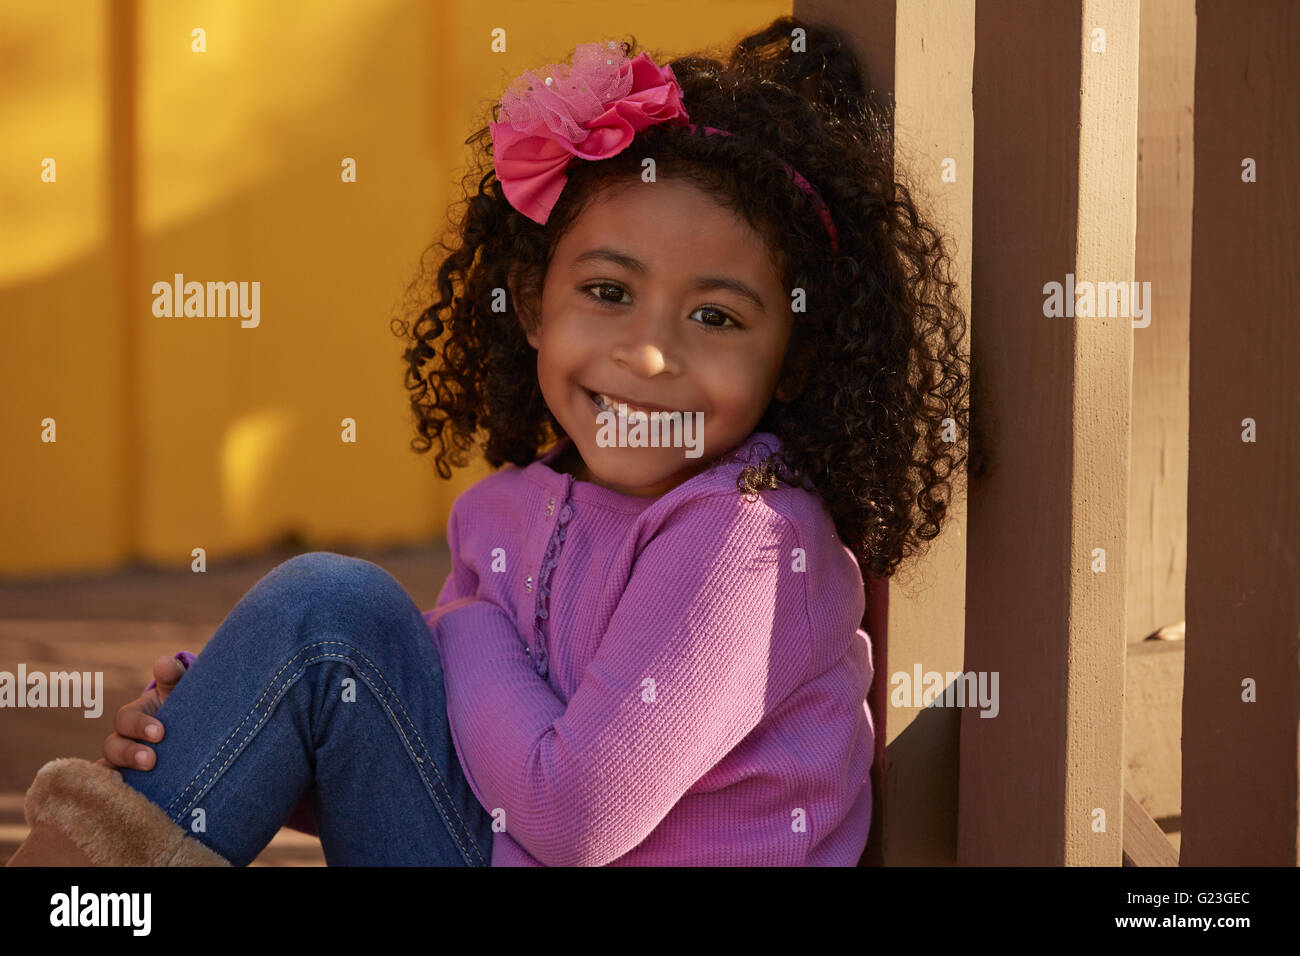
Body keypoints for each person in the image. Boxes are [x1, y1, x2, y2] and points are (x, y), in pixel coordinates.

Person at [7, 14, 969, 867]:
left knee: (332, 610)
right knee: (318, 625)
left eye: (716, 318)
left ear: (793, 359)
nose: (647, 351)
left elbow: (572, 813)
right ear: (531, 307)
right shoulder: (514, 506)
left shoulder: (750, 541)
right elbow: (460, 762)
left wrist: (456, 629)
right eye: (607, 292)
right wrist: (243, 720)